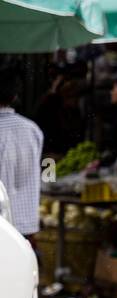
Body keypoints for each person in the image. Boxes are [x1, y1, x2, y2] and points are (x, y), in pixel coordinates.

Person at [0, 66, 44, 242]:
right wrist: (51, 177)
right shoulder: (33, 129)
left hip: (3, 223)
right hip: (26, 224)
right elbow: (45, 165)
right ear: (14, 97)